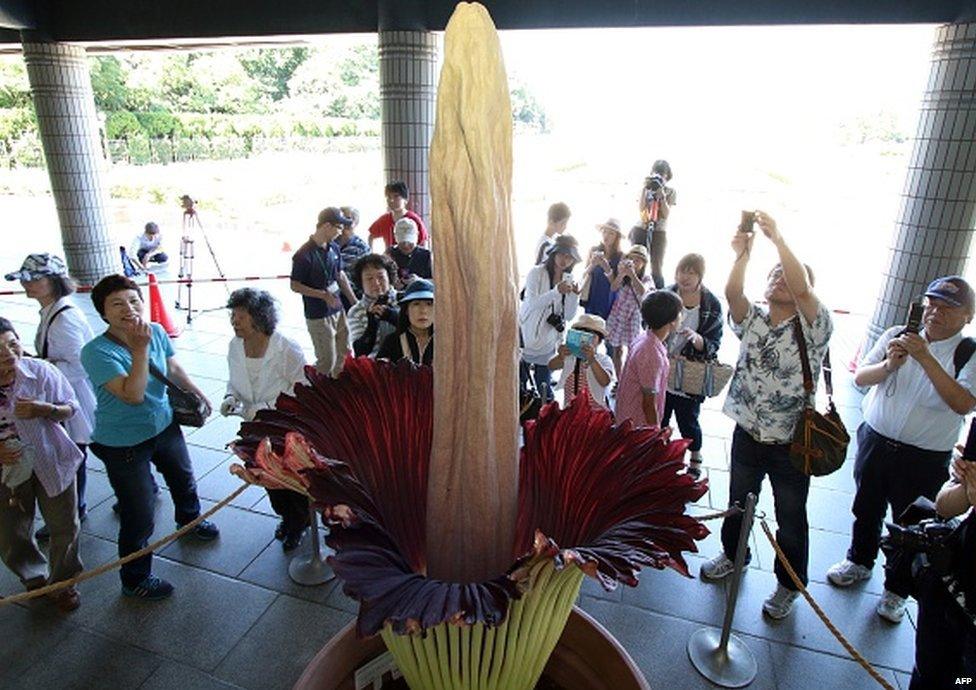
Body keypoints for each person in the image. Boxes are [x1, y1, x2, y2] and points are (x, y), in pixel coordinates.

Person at [700, 211, 833, 621]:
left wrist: (778, 240)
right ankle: (732, 555)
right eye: (773, 273)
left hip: (791, 442)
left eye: (785, 276)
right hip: (747, 432)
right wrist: (743, 254)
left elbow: (804, 287)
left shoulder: (814, 326)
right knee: (738, 501)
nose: (778, 277)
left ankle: (790, 584)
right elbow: (732, 293)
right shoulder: (754, 320)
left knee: (790, 514)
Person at [826, 276, 976, 624]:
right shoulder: (897, 333)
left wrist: (924, 358)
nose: (934, 313)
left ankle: (897, 590)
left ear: (966, 315)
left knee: (912, 523)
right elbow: (861, 377)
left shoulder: (968, 353)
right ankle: (859, 561)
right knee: (866, 505)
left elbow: (963, 403)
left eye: (946, 308)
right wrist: (890, 365)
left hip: (925, 456)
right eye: (931, 304)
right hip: (876, 439)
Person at [81, 274, 219, 601]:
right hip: (123, 442)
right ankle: (135, 577)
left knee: (183, 479)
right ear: (103, 312)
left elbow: (172, 368)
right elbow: (132, 394)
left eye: (133, 301)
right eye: (117, 304)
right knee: (138, 512)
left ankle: (189, 521)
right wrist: (139, 350)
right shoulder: (96, 352)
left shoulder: (155, 331)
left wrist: (197, 393)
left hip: (164, 425)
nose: (128, 309)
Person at [5, 253, 96, 542]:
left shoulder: (63, 317)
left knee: (76, 449)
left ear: (54, 281)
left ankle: (75, 507)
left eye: (35, 279)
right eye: (24, 278)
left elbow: (80, 364)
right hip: (63, 389)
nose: (26, 284)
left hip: (70, 392)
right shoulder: (52, 310)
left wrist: (41, 367)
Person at [0, 318, 84, 612]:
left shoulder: (40, 372)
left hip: (51, 458)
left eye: (13, 344)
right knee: (11, 532)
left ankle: (63, 584)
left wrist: (44, 409)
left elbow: (71, 408)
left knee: (64, 525)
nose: (9, 355)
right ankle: (33, 577)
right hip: (6, 472)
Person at [221, 288, 310, 551]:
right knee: (266, 478)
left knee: (290, 479)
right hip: (253, 428)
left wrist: (265, 407)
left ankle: (299, 523)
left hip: (283, 427)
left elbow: (302, 389)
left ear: (259, 318)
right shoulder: (234, 346)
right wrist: (230, 396)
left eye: (240, 316)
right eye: (233, 315)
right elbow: (234, 378)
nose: (234, 321)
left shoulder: (286, 348)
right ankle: (286, 517)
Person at [907, 449, 976, 689]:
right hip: (953, 588)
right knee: (929, 673)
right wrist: (967, 490)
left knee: (964, 682)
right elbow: (944, 506)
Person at [663, 253, 723, 479]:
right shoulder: (667, 295)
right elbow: (648, 325)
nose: (685, 277)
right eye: (681, 271)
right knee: (660, 417)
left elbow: (714, 344)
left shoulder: (711, 304)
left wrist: (697, 340)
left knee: (688, 420)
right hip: (663, 368)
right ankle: (660, 457)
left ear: (700, 276)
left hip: (690, 375)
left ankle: (695, 456)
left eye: (691, 272)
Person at [290, 207, 358, 377]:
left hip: (337, 308)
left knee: (345, 351)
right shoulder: (303, 255)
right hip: (318, 313)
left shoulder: (334, 248)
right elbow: (295, 285)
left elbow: (340, 275)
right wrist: (322, 295)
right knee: (327, 359)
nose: (341, 232)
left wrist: (354, 301)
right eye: (339, 227)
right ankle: (320, 393)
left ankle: (338, 387)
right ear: (327, 226)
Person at [518, 235, 582, 404]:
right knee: (520, 387)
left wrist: (574, 297)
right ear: (554, 253)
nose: (564, 260)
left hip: (548, 342)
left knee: (544, 387)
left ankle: (547, 424)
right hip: (526, 339)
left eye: (569, 257)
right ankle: (525, 422)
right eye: (561, 254)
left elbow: (568, 315)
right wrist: (556, 291)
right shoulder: (536, 273)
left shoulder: (569, 280)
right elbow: (531, 304)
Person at [614, 291, 683, 428]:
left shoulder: (646, 338)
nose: (682, 316)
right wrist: (655, 431)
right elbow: (648, 401)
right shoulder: (651, 354)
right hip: (636, 424)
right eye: (680, 313)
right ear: (672, 322)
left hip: (627, 416)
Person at [549, 314, 615, 411]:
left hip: (594, 412)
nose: (586, 341)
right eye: (582, 335)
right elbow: (551, 366)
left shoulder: (603, 360)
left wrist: (592, 360)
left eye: (592, 337)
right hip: (570, 409)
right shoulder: (571, 356)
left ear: (600, 341)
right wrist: (560, 356)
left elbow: (605, 381)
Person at [606, 244, 654, 378]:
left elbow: (643, 291)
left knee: (632, 349)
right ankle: (619, 379)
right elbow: (613, 288)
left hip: (633, 315)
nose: (634, 262)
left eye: (638, 260)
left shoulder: (646, 278)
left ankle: (630, 379)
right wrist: (622, 274)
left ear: (644, 263)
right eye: (631, 259)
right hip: (618, 314)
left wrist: (632, 275)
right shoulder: (623, 273)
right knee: (617, 349)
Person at [579, 218, 623, 352]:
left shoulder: (620, 256)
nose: (606, 236)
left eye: (611, 233)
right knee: (588, 337)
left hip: (610, 301)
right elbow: (585, 274)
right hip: (593, 298)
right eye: (604, 231)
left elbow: (617, 285)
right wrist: (593, 264)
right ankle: (586, 370)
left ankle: (609, 371)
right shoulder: (594, 250)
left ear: (617, 237)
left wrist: (607, 268)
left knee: (610, 344)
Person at [633, 159, 676, 289]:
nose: (659, 177)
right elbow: (641, 210)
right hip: (641, 228)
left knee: (656, 265)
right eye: (656, 173)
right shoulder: (646, 187)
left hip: (659, 232)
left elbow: (666, 214)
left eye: (662, 174)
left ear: (667, 176)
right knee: (636, 261)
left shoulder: (670, 191)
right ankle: (631, 289)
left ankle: (657, 293)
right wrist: (645, 190)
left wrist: (661, 195)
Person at [348, 254, 400, 358]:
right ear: (361, 283)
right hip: (373, 367)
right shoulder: (356, 311)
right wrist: (372, 325)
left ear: (389, 277)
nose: (376, 283)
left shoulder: (404, 300)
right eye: (369, 279)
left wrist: (393, 316)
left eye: (381, 277)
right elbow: (360, 352)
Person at [377, 279, 434, 365]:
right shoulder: (392, 342)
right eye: (416, 304)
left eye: (429, 304)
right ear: (406, 310)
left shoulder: (446, 341)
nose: (423, 310)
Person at [367, 181, 429, 251]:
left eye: (396, 196)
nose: (391, 200)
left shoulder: (413, 219)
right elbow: (371, 236)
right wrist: (371, 254)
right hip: (391, 259)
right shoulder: (384, 219)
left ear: (405, 199)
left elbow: (424, 241)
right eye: (389, 197)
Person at [337, 206, 369, 310]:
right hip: (330, 295)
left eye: (349, 218)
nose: (345, 222)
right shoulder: (329, 243)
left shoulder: (361, 247)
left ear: (356, 222)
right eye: (342, 218)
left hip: (354, 295)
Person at [387, 217, 433, 288]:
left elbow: (438, 281)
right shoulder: (389, 255)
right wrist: (391, 284)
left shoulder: (427, 256)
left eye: (409, 241)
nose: (406, 245)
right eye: (402, 242)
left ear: (417, 236)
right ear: (395, 238)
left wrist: (420, 281)